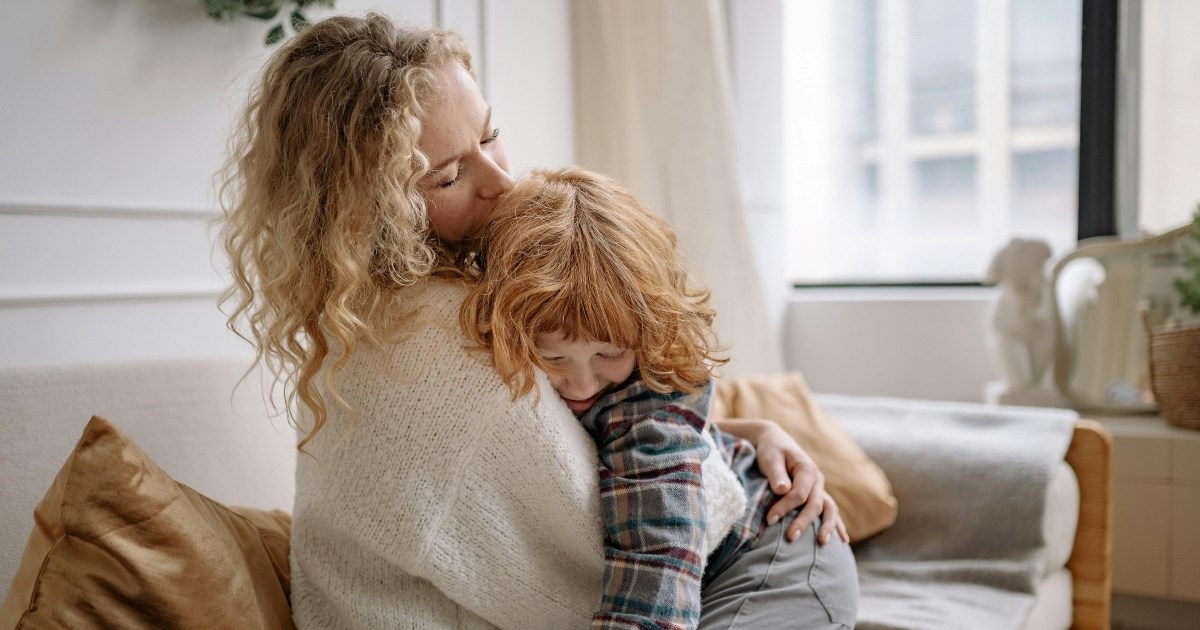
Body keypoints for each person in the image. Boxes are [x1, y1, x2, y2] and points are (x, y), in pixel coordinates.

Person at [218, 13, 847, 629]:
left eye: (489, 136)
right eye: (449, 175)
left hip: (765, 548)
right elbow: (586, 542)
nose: (502, 181)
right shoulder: (424, 335)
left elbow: (652, 518)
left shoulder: (489, 275)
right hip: (732, 549)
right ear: (368, 208)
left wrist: (740, 430)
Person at [460, 166, 859, 629]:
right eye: (553, 358)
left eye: (607, 354)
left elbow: (657, 552)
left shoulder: (652, 413)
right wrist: (760, 429)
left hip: (777, 558)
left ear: (645, 332)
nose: (583, 384)